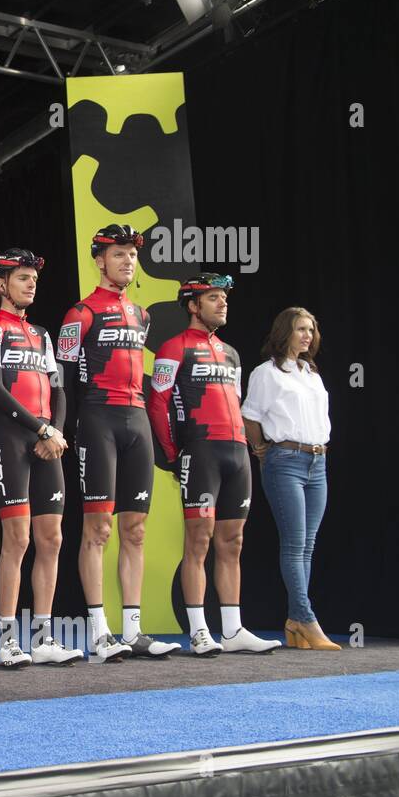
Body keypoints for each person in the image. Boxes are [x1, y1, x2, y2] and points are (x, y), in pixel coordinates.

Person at [56, 224, 178, 660]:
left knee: (136, 530)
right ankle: (97, 631)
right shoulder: (80, 313)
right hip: (97, 419)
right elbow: (62, 378)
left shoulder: (142, 315)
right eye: (118, 254)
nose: (127, 261)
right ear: (99, 259)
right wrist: (58, 427)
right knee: (98, 529)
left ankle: (132, 630)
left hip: (137, 419)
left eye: (131, 254)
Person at [148, 274, 282, 656]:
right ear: (193, 305)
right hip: (201, 450)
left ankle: (233, 628)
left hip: (236, 451)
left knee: (233, 542)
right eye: (213, 298)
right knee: (199, 541)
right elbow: (158, 404)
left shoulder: (232, 353)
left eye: (224, 297)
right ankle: (198, 630)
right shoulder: (173, 348)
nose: (222, 303)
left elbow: (236, 404)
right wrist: (174, 453)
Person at [0, 250, 84, 667]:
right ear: (2, 285)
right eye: (22, 278)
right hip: (9, 439)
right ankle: (7, 639)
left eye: (34, 279)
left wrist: (54, 430)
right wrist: (41, 429)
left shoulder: (41, 333)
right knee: (17, 540)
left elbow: (59, 390)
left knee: (52, 539)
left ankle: (42, 637)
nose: (31, 284)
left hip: (46, 441)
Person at [240, 307, 337, 650]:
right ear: (285, 333)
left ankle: (295, 621)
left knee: (307, 547)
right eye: (300, 329)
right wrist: (262, 449)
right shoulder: (267, 373)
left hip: (317, 461)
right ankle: (306, 620)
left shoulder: (311, 372)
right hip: (286, 460)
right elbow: (249, 415)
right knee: (295, 545)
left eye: (311, 330)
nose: (307, 336)